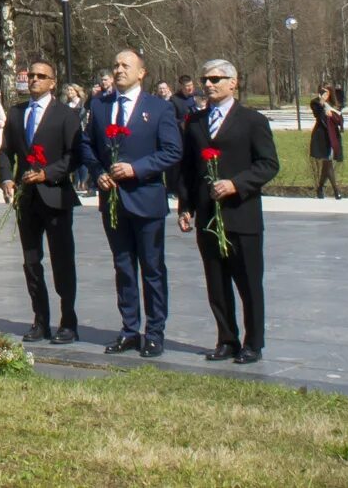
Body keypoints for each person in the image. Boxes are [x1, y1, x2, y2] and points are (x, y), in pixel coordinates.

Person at [178, 58, 279, 365]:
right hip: (208, 217)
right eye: (205, 80)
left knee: (249, 284)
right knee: (217, 283)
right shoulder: (195, 122)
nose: (209, 84)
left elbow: (268, 164)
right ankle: (226, 339)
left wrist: (236, 184)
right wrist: (185, 206)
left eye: (216, 79)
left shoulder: (252, 121)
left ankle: (253, 343)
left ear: (233, 83)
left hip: (242, 216)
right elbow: (187, 168)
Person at [85, 47, 181, 358]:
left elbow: (172, 151)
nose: (119, 70)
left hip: (146, 199)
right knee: (123, 267)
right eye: (115, 65)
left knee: (152, 269)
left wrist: (136, 169)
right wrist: (98, 173)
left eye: (126, 65)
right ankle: (129, 330)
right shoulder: (100, 106)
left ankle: (154, 332)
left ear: (142, 73)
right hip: (113, 201)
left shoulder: (159, 108)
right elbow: (86, 145)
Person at [0, 58, 82, 345]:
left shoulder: (66, 115)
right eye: (31, 75)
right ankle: (40, 320)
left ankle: (68, 322)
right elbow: (5, 151)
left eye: (40, 75)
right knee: (32, 261)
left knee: (62, 260)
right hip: (27, 199)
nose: (34, 79)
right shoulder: (16, 113)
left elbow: (74, 156)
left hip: (55, 197)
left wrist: (48, 173)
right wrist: (6, 178)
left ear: (52, 82)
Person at [308, 83, 343, 199]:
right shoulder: (315, 103)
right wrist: (322, 103)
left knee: (327, 163)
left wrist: (332, 115)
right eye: (322, 92)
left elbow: (340, 120)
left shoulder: (334, 104)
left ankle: (320, 188)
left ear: (330, 92)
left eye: (326, 92)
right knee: (328, 162)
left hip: (333, 136)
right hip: (322, 136)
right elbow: (318, 115)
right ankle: (336, 190)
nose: (324, 94)